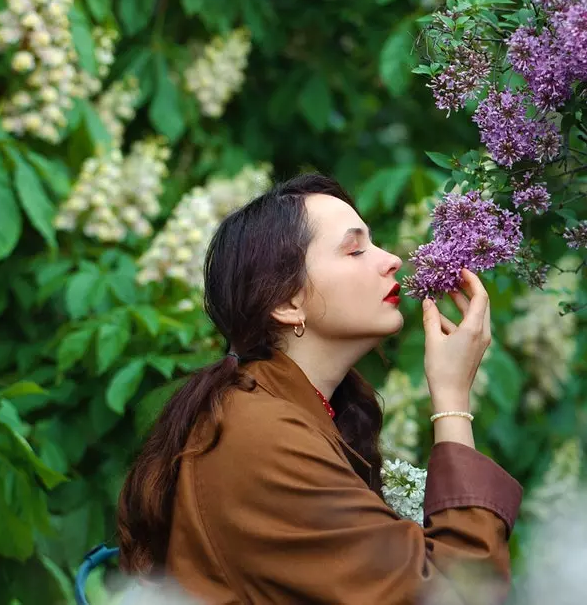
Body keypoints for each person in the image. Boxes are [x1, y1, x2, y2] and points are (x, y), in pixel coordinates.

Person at [116, 173, 523, 604]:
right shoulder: (261, 435)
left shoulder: (287, 411)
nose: (391, 260)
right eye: (355, 249)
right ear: (287, 304)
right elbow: (460, 594)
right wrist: (452, 400)